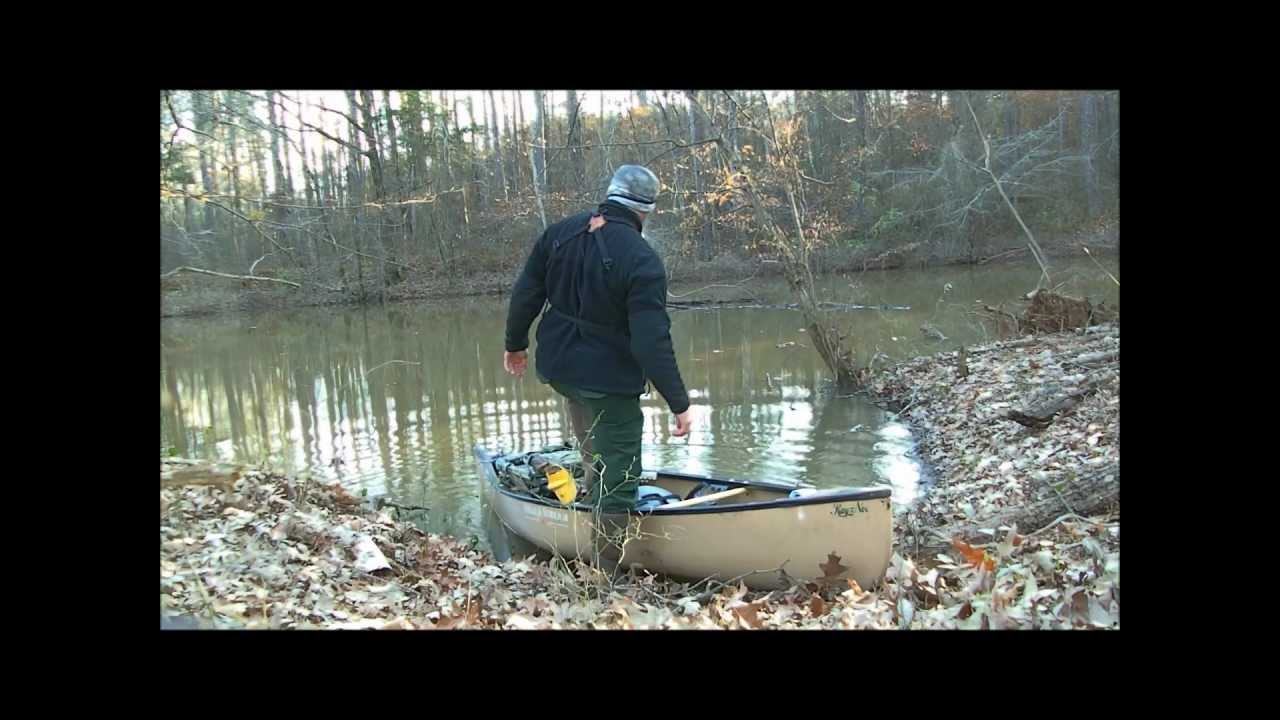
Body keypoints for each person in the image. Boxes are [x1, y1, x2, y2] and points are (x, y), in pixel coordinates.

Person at [503, 165, 690, 515]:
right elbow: (651, 341)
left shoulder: (560, 233)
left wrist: (515, 345)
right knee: (619, 481)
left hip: (560, 368)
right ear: (647, 209)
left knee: (593, 442)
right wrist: (679, 402)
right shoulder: (641, 257)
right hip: (607, 381)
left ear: (610, 194)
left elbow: (526, 293)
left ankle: (591, 495)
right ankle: (607, 566)